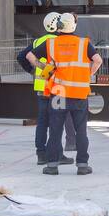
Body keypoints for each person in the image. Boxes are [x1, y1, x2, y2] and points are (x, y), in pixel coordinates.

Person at [37, 12, 101, 175]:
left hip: (58, 93)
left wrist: (45, 73)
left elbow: (33, 57)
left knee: (55, 128)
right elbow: (98, 61)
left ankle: (52, 165)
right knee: (81, 130)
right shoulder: (84, 44)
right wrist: (88, 74)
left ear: (58, 26)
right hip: (79, 93)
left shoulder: (51, 43)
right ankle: (82, 165)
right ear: (73, 25)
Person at [22, 11, 76, 166]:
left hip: (41, 88)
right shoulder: (58, 42)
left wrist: (35, 69)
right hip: (56, 89)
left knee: (42, 123)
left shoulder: (39, 41)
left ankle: (41, 154)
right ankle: (57, 154)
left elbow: (22, 57)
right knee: (56, 122)